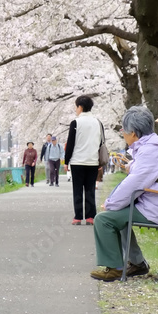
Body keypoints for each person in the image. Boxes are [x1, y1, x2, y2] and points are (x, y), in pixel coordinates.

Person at [90, 105, 158, 281]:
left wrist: (110, 203)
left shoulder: (150, 152)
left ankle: (114, 268)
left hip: (156, 209)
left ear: (134, 134)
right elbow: (142, 175)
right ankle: (137, 264)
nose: (123, 134)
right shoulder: (152, 147)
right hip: (156, 204)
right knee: (117, 214)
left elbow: (134, 183)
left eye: (124, 131)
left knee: (103, 219)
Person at [64, 95, 102, 225]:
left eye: (76, 107)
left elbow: (70, 144)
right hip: (93, 161)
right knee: (90, 189)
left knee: (78, 189)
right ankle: (91, 217)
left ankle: (78, 217)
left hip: (77, 161)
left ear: (80, 107)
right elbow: (101, 142)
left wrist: (66, 161)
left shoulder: (76, 122)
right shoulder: (98, 122)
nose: (76, 109)